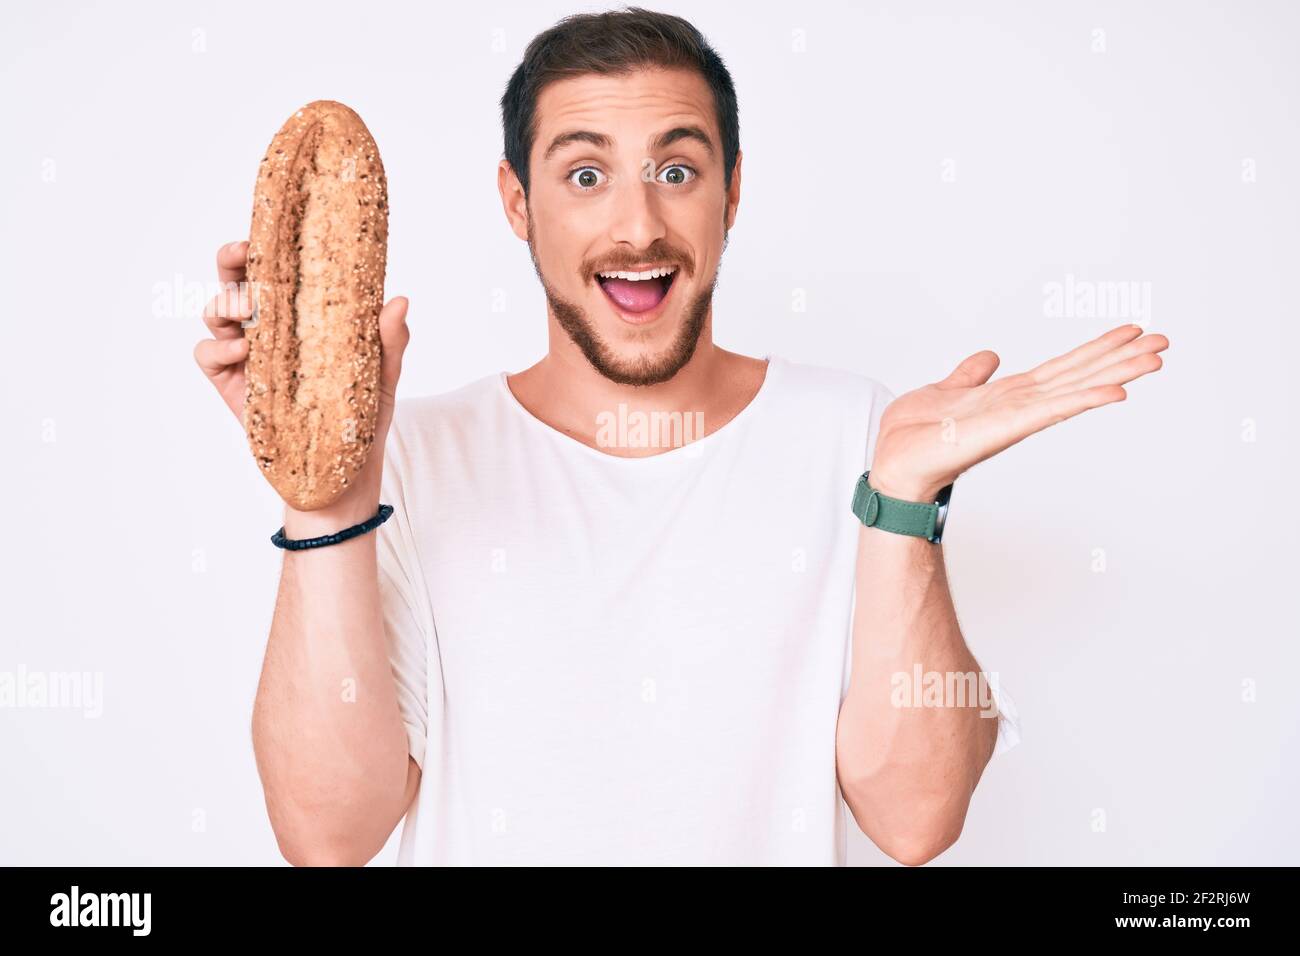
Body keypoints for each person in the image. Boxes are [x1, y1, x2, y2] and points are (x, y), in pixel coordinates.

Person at [194, 8, 1168, 866]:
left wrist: (903, 498)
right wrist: (327, 498)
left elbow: (916, 818)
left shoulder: (859, 438)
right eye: (585, 173)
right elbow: (329, 835)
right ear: (515, 201)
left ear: (731, 192)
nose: (638, 223)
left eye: (676, 168)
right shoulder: (413, 456)